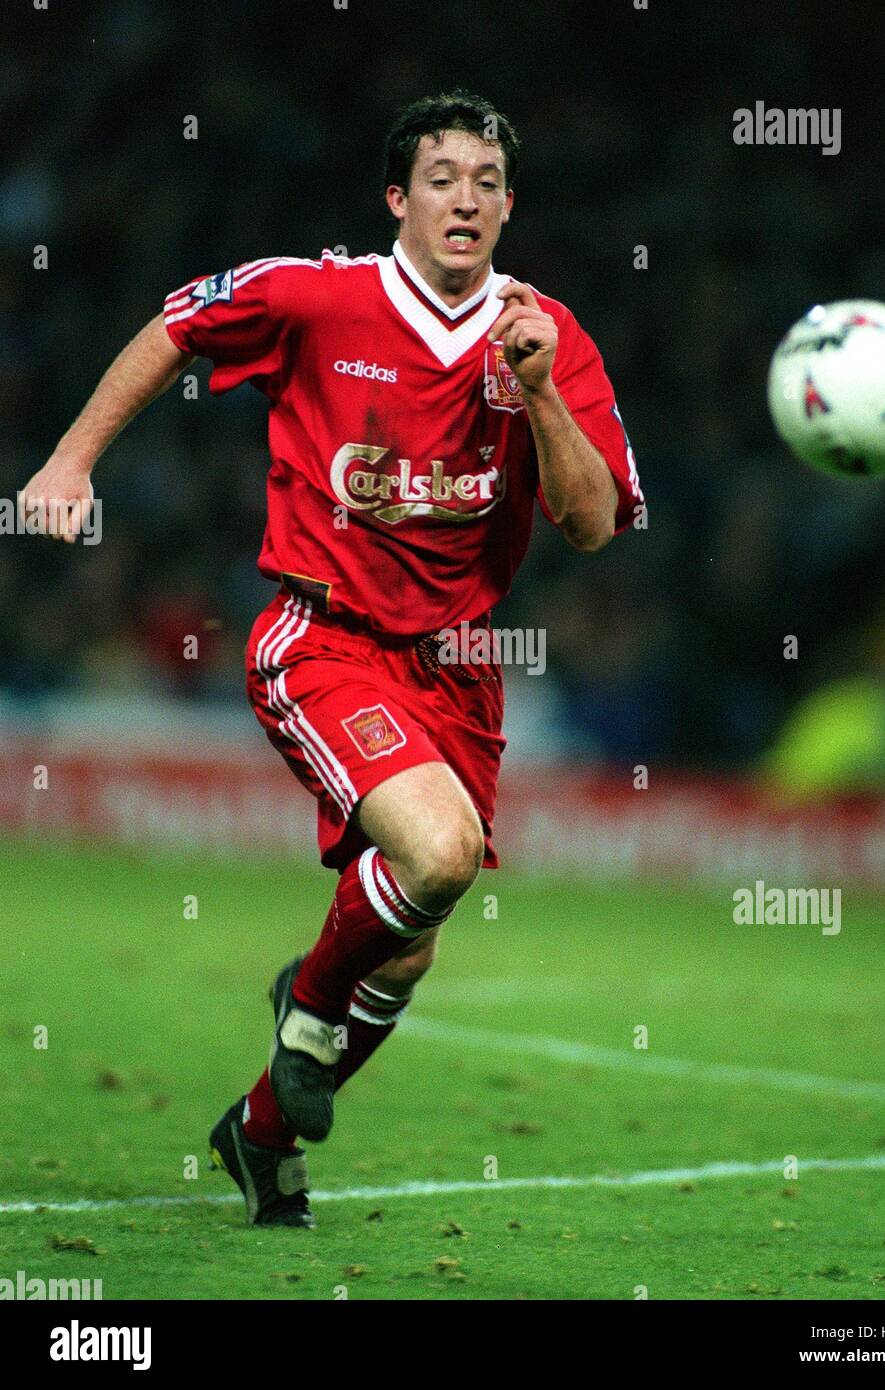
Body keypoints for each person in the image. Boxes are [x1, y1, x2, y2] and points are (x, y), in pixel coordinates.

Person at [21, 89, 644, 1227]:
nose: (467, 197)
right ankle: (305, 1008)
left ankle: (259, 1134)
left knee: (402, 961)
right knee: (440, 857)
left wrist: (544, 389)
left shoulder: (548, 337)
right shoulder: (316, 295)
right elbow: (177, 330)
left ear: (510, 207)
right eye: (444, 177)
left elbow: (593, 524)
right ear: (398, 198)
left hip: (459, 666)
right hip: (325, 637)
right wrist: (69, 462)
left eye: (489, 181)